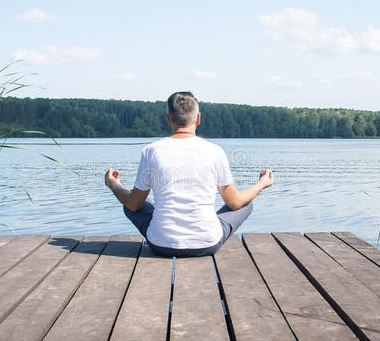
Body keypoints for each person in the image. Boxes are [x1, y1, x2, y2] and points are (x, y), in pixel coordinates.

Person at [104, 91, 274, 257]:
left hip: (161, 245)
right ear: (198, 118)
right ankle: (204, 229)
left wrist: (114, 185)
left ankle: (171, 232)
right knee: (246, 203)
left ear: (168, 119)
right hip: (207, 243)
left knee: (134, 201)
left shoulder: (151, 151)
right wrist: (261, 184)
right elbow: (235, 202)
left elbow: (133, 205)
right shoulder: (215, 152)